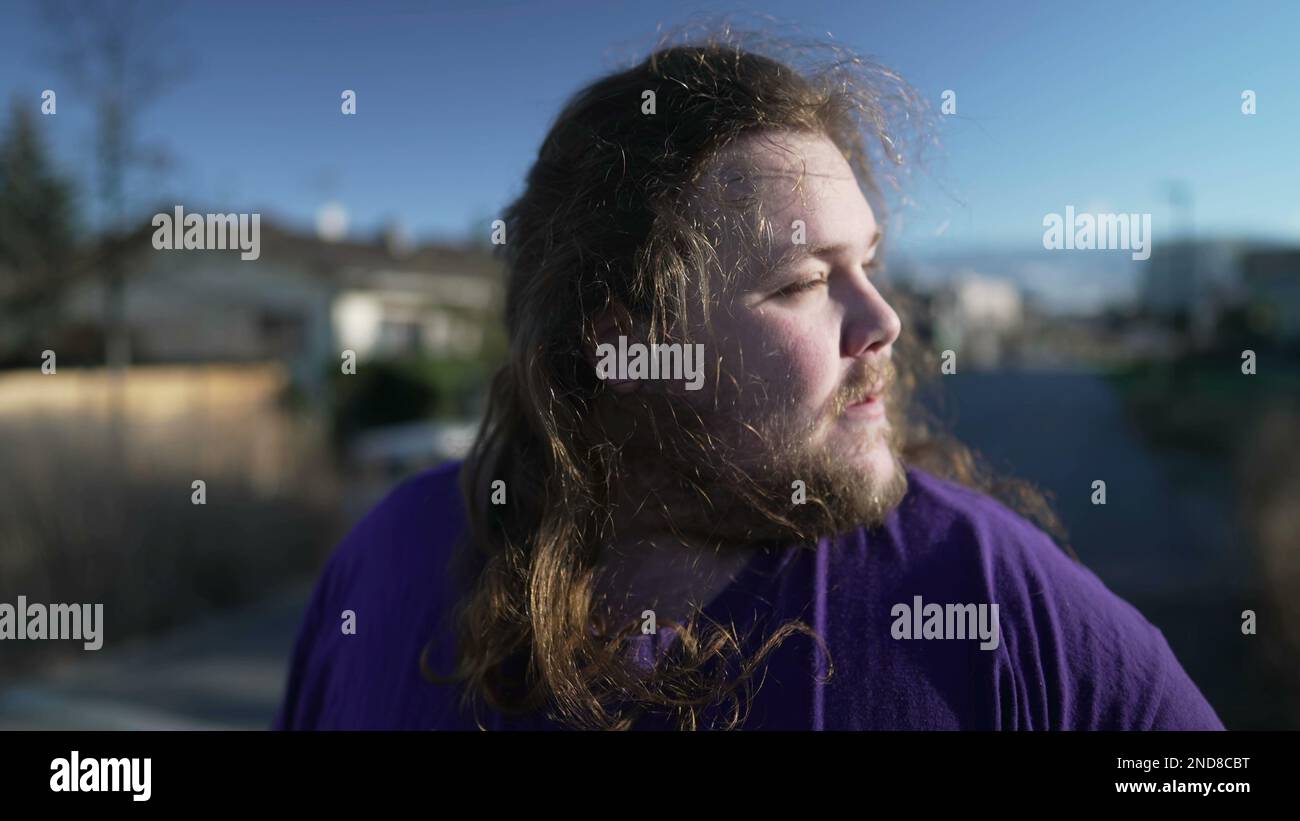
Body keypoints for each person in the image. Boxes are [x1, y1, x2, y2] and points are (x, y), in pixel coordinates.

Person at [274, 30, 1224, 731]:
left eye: (870, 263)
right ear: (624, 348)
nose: (885, 321)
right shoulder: (388, 563)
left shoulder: (990, 593)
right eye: (806, 281)